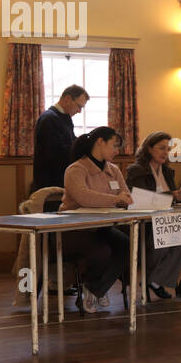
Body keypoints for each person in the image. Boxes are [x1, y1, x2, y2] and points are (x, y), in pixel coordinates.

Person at [60, 126, 132, 315]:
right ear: (100, 142)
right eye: (114, 146)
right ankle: (94, 288)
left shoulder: (114, 170)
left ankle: (95, 289)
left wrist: (122, 198)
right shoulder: (75, 169)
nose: (117, 151)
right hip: (74, 229)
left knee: (127, 246)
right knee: (102, 251)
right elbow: (84, 197)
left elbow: (126, 195)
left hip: (102, 226)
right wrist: (115, 199)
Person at [125, 131, 181, 299]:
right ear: (149, 149)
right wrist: (173, 194)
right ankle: (153, 280)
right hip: (144, 222)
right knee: (164, 240)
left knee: (180, 242)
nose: (165, 152)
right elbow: (141, 197)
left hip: (165, 219)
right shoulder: (136, 170)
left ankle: (155, 281)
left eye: (167, 149)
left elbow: (173, 199)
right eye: (161, 148)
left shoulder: (167, 171)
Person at [31, 85, 88, 191]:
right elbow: (55, 153)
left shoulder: (64, 117)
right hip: (50, 182)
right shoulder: (49, 119)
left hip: (61, 178)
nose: (80, 111)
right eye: (79, 106)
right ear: (67, 99)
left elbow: (71, 142)